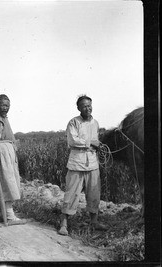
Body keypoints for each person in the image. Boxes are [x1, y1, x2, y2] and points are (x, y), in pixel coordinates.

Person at [58, 95, 108, 236]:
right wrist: (91, 143)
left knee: (94, 193)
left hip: (92, 163)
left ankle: (94, 222)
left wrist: (98, 146)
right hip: (76, 163)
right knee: (71, 194)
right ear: (79, 108)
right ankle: (64, 223)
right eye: (84, 106)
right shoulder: (73, 122)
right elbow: (73, 140)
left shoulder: (95, 123)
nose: (88, 108)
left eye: (89, 105)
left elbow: (96, 141)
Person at [0, 94, 26, 224]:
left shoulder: (3, 119)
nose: (5, 108)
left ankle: (1, 214)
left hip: (6, 154)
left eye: (7, 105)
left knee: (4, 182)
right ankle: (9, 216)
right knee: (6, 184)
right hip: (1, 155)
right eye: (2, 105)